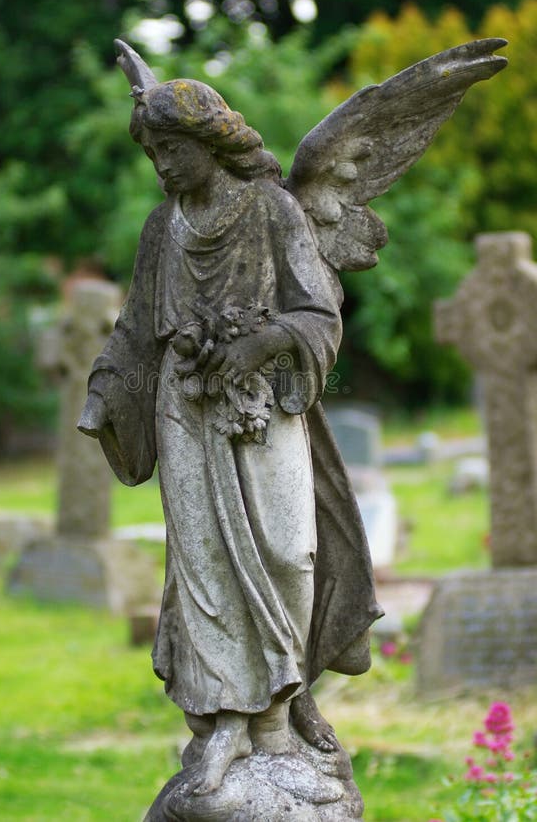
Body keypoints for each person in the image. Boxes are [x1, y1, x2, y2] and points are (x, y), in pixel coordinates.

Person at [78, 78, 382, 795]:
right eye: (152, 152)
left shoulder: (272, 209)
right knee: (205, 569)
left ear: (211, 142)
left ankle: (279, 718)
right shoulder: (165, 226)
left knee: (286, 554)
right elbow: (136, 327)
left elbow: (318, 315)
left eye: (172, 148)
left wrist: (259, 346)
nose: (161, 165)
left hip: (263, 412)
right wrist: (106, 387)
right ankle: (224, 729)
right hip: (186, 411)